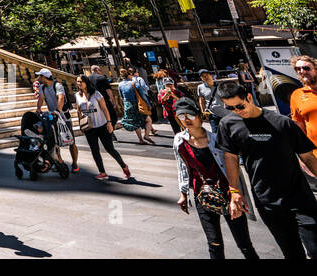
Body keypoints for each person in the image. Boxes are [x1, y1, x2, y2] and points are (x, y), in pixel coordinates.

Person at [215, 80, 317, 260]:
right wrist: (234, 190)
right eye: (230, 108)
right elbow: (230, 157)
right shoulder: (227, 124)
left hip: (300, 198)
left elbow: (307, 156)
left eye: (239, 106)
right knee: (292, 253)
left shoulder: (282, 122)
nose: (236, 111)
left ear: (249, 97)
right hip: (267, 201)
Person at [173, 98, 258, 260]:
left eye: (190, 115)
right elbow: (182, 167)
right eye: (181, 116)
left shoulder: (217, 139)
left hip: (229, 196)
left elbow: (233, 167)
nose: (186, 119)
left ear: (199, 116)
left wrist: (236, 194)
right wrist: (183, 193)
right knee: (214, 244)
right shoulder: (179, 140)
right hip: (202, 197)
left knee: (244, 244)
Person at [75, 74, 131, 181]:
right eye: (77, 82)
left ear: (86, 82)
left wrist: (109, 123)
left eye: (81, 81)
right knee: (94, 150)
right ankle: (102, 172)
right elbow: (78, 111)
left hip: (101, 125)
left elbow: (105, 109)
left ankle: (124, 166)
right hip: (88, 127)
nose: (79, 84)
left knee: (109, 149)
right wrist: (80, 124)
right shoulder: (77, 95)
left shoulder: (96, 94)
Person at [34, 68, 78, 172]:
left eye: (40, 76)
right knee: (54, 142)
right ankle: (60, 162)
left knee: (71, 141)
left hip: (64, 117)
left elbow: (61, 98)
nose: (38, 78)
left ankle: (75, 163)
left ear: (44, 77)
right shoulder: (42, 87)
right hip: (52, 118)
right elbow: (41, 98)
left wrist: (57, 111)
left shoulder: (57, 85)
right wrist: (38, 109)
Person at [117, 68, 154, 145]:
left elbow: (121, 97)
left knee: (135, 122)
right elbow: (142, 95)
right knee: (148, 120)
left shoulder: (120, 85)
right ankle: (146, 135)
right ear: (129, 75)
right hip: (136, 104)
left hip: (127, 105)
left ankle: (140, 140)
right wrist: (148, 104)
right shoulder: (133, 83)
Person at [86, 64, 121, 129]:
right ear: (97, 70)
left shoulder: (87, 79)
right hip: (104, 100)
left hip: (94, 101)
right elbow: (108, 90)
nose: (100, 72)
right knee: (112, 116)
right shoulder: (102, 78)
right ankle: (111, 129)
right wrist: (113, 101)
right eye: (100, 70)